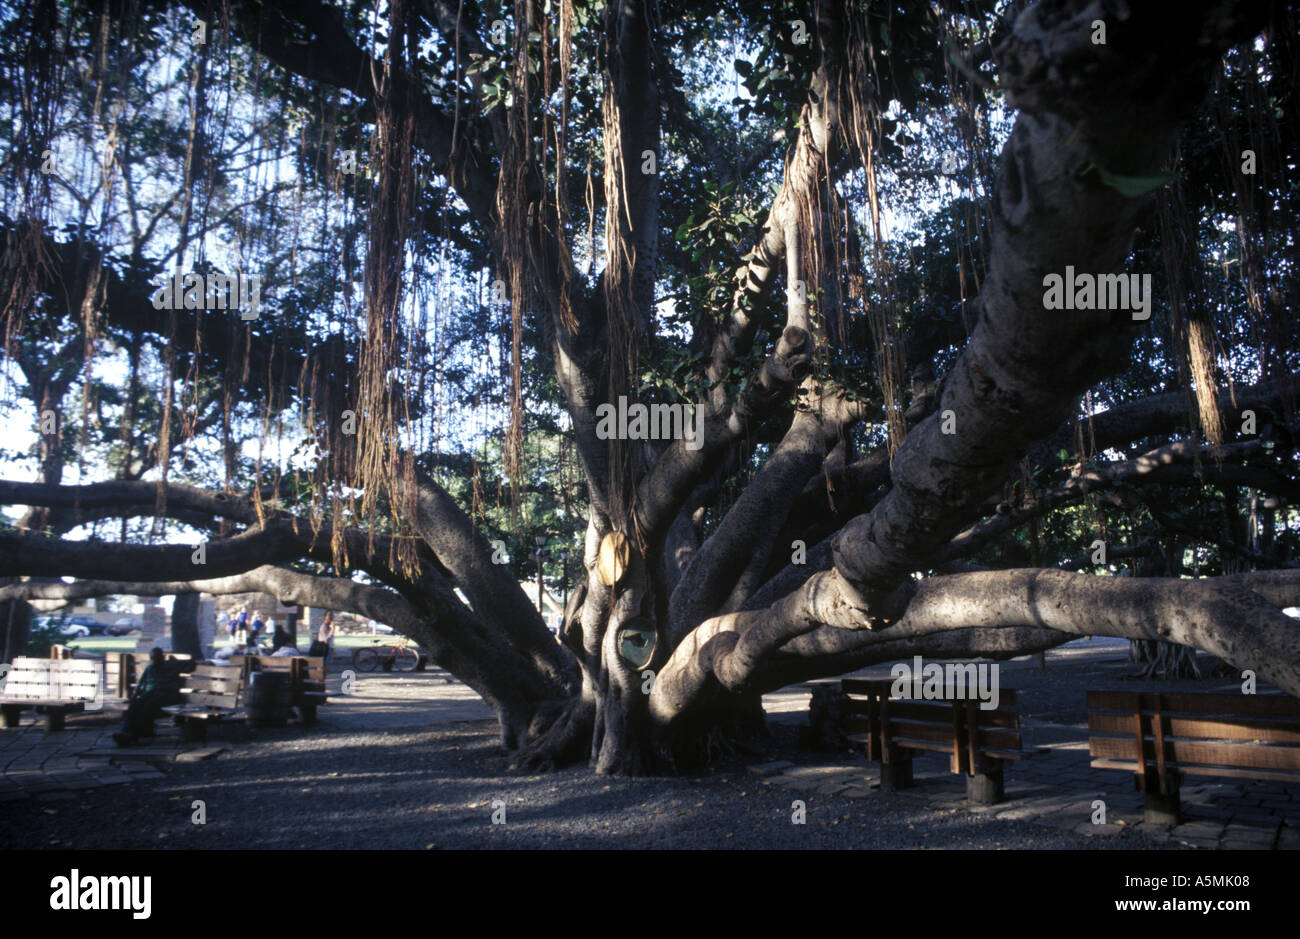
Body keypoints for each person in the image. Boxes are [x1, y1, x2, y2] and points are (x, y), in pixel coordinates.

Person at [113, 648, 184, 746]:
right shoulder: (150, 669)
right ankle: (126, 731)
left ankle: (135, 735)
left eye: (157, 658)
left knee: (147, 706)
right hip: (151, 694)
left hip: (167, 696)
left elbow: (188, 666)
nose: (155, 660)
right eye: (153, 658)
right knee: (135, 705)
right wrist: (135, 695)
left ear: (162, 657)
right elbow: (141, 683)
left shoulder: (170, 667)